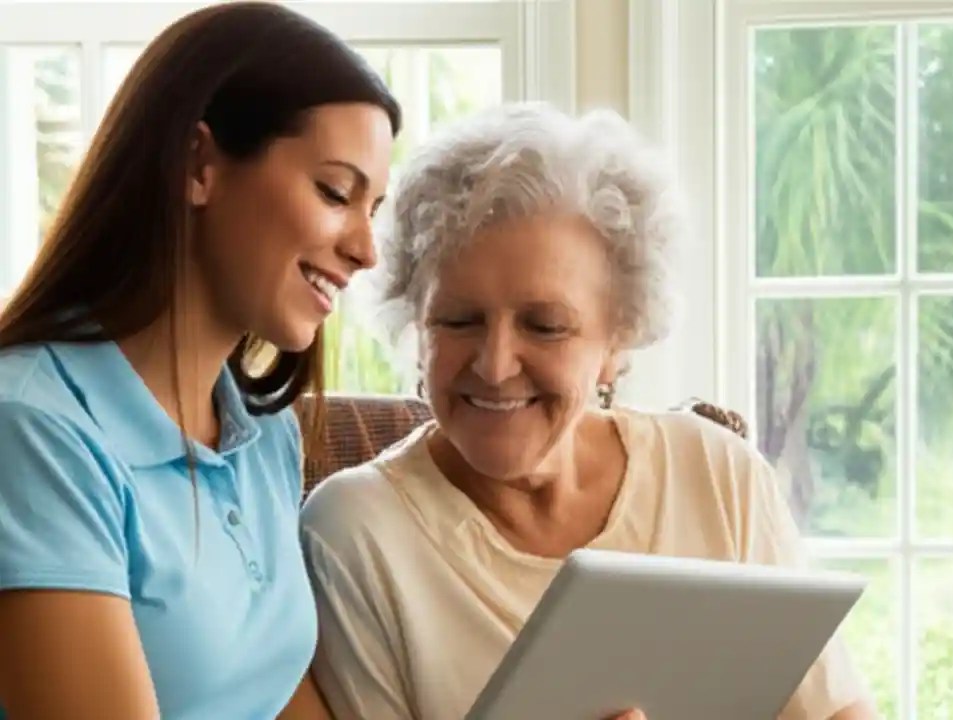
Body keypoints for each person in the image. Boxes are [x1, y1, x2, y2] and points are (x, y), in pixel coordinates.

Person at [300, 103, 879, 719]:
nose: (494, 365)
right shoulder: (357, 530)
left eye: (545, 326)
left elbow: (838, 711)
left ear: (617, 342)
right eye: (458, 321)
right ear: (417, 326)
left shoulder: (716, 473)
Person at [0, 3, 399, 718]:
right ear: (200, 165)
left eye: (375, 209)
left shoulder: (261, 434)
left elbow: (279, 699)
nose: (366, 249)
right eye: (337, 193)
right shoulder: (32, 430)